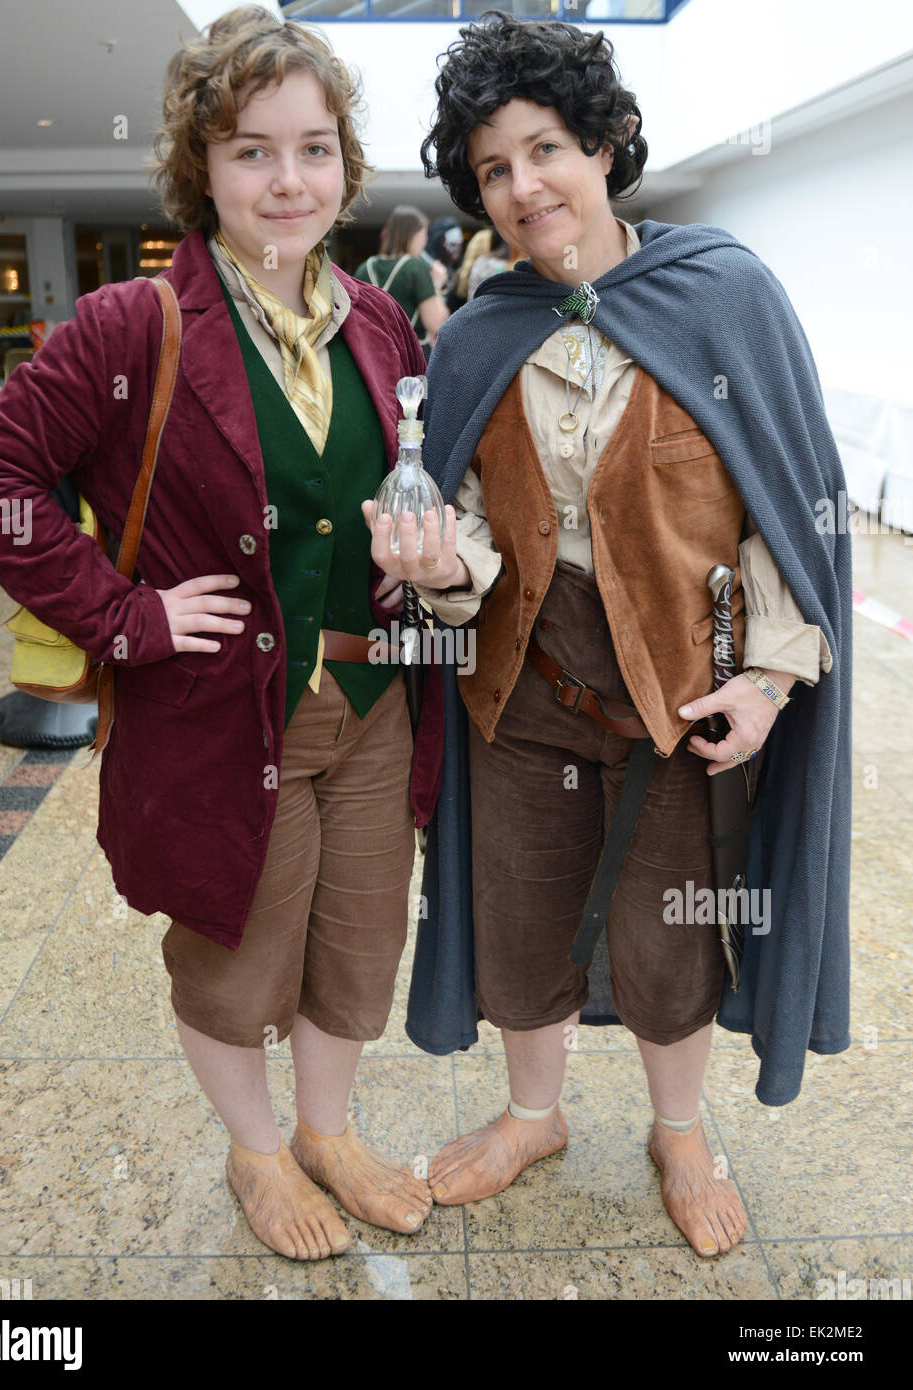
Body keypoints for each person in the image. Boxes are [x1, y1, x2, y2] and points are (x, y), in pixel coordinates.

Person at [0, 5, 446, 1263]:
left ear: (346, 164)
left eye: (315, 149)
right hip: (221, 714)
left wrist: (415, 558)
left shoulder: (377, 322)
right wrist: (122, 614)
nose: (289, 180)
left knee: (361, 940)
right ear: (201, 169)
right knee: (236, 952)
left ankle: (325, 1130)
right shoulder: (131, 328)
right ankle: (257, 1150)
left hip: (376, 704)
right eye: (253, 151)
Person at [365, 12, 850, 1259]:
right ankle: (534, 1114)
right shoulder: (477, 333)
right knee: (522, 919)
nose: (521, 187)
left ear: (606, 143)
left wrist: (769, 686)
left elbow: (784, 514)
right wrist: (439, 570)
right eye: (489, 169)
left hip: (681, 700)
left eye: (543, 150)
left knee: (672, 931)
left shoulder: (724, 294)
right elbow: (470, 533)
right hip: (521, 699)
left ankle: (678, 1129)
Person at [353, 205, 449, 353]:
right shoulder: (415, 266)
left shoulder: (364, 268)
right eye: (423, 235)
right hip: (410, 354)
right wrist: (437, 284)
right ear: (412, 235)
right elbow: (435, 323)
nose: (424, 242)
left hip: (373, 352)